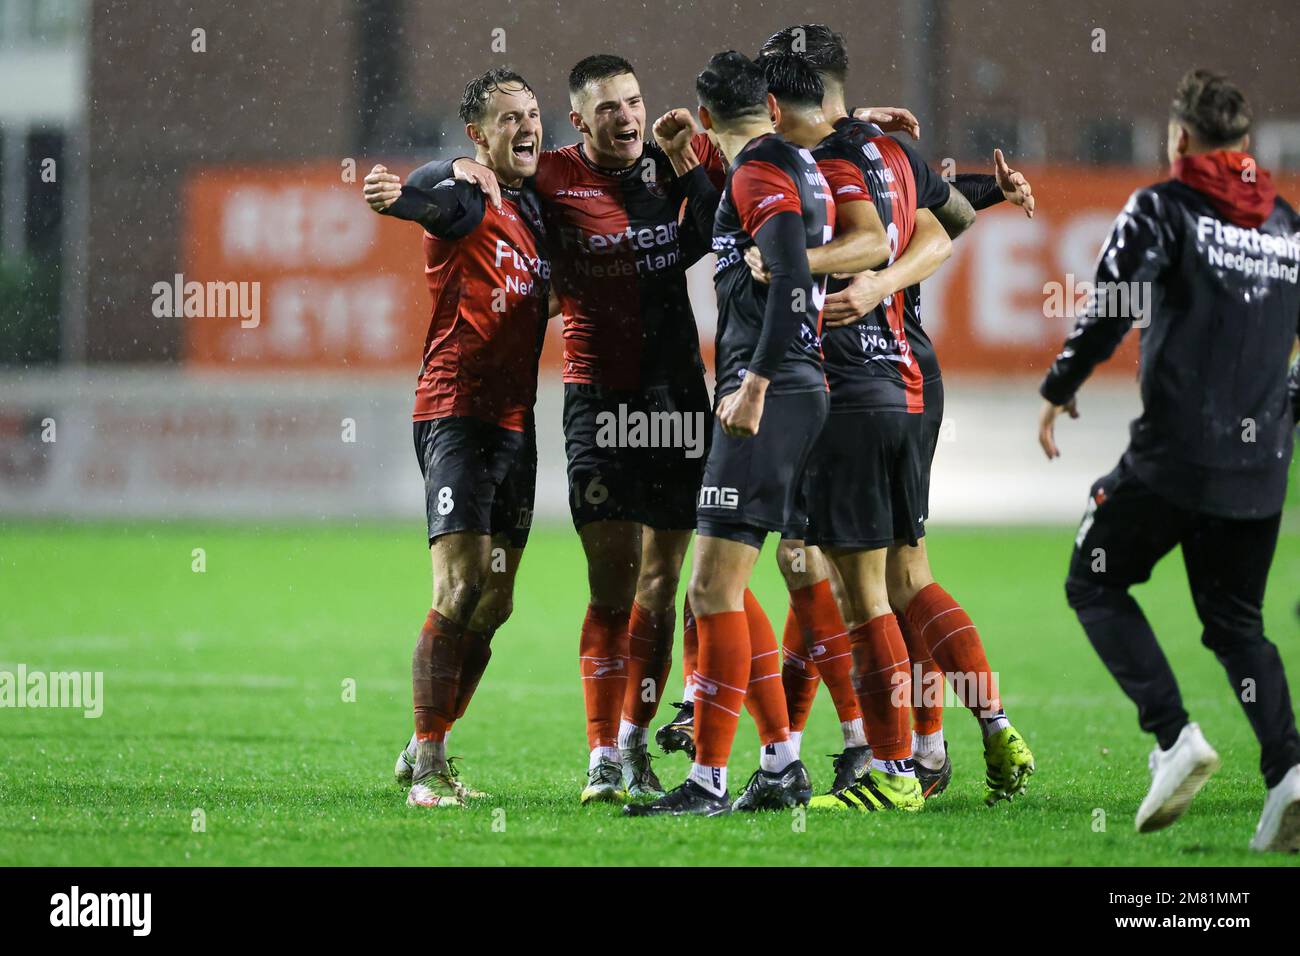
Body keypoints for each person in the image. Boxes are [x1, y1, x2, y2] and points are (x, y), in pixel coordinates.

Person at [755, 24, 1037, 805]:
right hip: (913, 372)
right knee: (907, 572)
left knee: (850, 583)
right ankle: (972, 728)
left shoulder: (804, 165)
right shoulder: (894, 150)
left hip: (842, 381)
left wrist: (851, 274)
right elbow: (955, 221)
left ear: (782, 97)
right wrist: (978, 193)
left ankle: (890, 765)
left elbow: (859, 237)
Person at [1039, 68, 1300, 851]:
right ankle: (1289, 773)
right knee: (1236, 625)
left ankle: (1174, 738)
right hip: (1259, 472)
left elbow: (1115, 301)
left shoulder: (1164, 207)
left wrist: (1060, 385)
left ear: (1180, 138)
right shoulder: (1287, 225)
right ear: (1247, 146)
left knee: (1093, 579)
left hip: (1174, 459)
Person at [627, 51, 888, 817]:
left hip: (770, 393)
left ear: (708, 118)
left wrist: (756, 383)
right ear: (772, 107)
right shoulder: (792, 165)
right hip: (798, 391)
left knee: (709, 587)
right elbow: (760, 248)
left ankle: (710, 781)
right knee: (736, 588)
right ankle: (779, 765)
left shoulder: (760, 172)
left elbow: (788, 274)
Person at [362, 68, 549, 808]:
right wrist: (405, 193)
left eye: (532, 115)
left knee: (496, 599)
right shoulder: (469, 194)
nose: (526, 128)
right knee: (460, 584)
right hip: (457, 415)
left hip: (515, 422)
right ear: (478, 135)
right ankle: (432, 766)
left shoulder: (532, 214)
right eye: (508, 119)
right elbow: (429, 199)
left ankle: (421, 745)